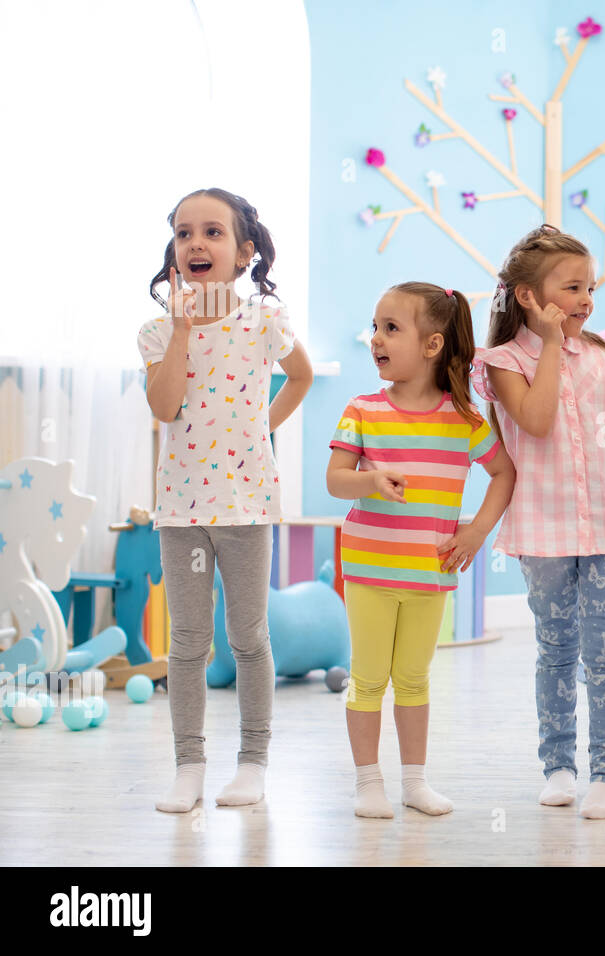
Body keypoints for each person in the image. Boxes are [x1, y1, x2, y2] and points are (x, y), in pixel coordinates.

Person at [471, 225, 605, 820]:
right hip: (542, 529)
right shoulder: (501, 363)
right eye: (572, 288)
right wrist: (550, 345)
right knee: (555, 650)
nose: (586, 301)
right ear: (527, 296)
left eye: (590, 288)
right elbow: (539, 421)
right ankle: (558, 766)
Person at [139, 188, 313, 812]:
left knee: (248, 637)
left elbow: (302, 374)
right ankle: (188, 766)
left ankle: (254, 763)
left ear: (243, 253)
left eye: (211, 232)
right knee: (187, 642)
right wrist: (183, 330)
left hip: (246, 507)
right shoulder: (158, 332)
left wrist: (261, 427)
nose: (195, 243)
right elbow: (164, 407)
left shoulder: (265, 321)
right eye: (184, 233)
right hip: (182, 512)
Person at [327, 282, 514, 818]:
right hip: (368, 566)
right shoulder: (363, 409)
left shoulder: (464, 419)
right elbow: (337, 480)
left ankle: (414, 783)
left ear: (432, 345)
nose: (376, 339)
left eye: (391, 328)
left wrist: (476, 531)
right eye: (375, 327)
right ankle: (368, 783)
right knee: (369, 678)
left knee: (412, 679)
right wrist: (371, 479)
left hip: (430, 570)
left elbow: (504, 472)